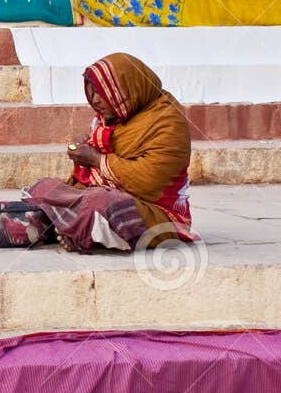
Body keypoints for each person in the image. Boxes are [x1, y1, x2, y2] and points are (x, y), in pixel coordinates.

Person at [24, 52, 197, 252]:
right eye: (92, 93)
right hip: (107, 194)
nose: (95, 101)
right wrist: (85, 147)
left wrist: (97, 160)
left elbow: (149, 183)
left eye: (102, 93)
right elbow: (99, 161)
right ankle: (71, 225)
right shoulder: (116, 115)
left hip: (157, 213)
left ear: (127, 90)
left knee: (102, 202)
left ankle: (69, 228)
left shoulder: (167, 121)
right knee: (46, 187)